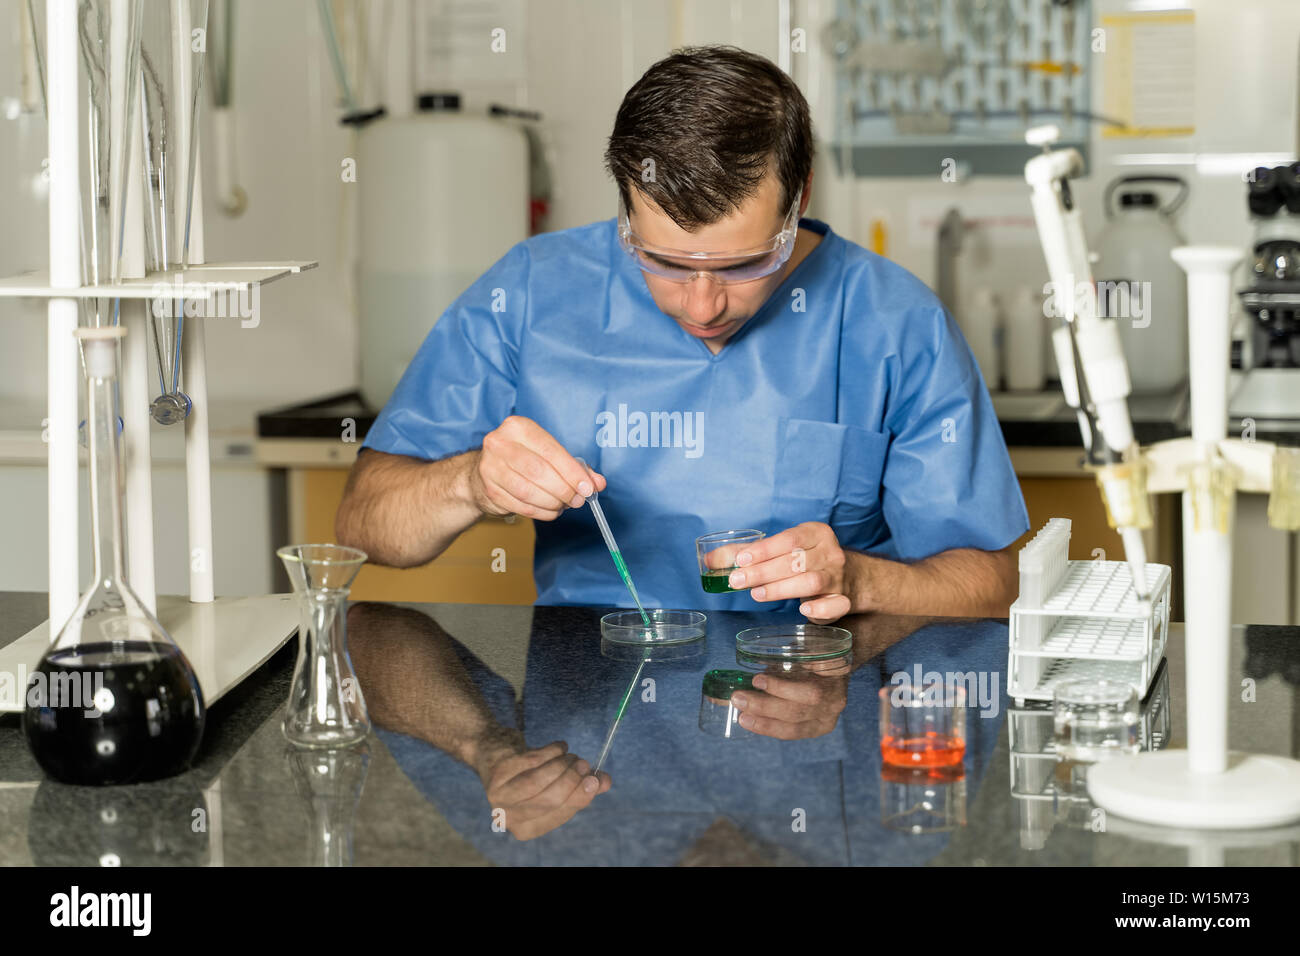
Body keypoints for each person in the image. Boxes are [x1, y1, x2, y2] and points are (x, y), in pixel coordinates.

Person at [337, 45, 1029, 622]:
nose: (702, 307)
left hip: (812, 720)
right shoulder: (528, 292)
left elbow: (995, 581)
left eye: (746, 263)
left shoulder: (895, 322)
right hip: (592, 728)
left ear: (800, 198)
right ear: (624, 210)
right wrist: (471, 485)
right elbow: (366, 525)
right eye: (663, 262)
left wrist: (863, 580)